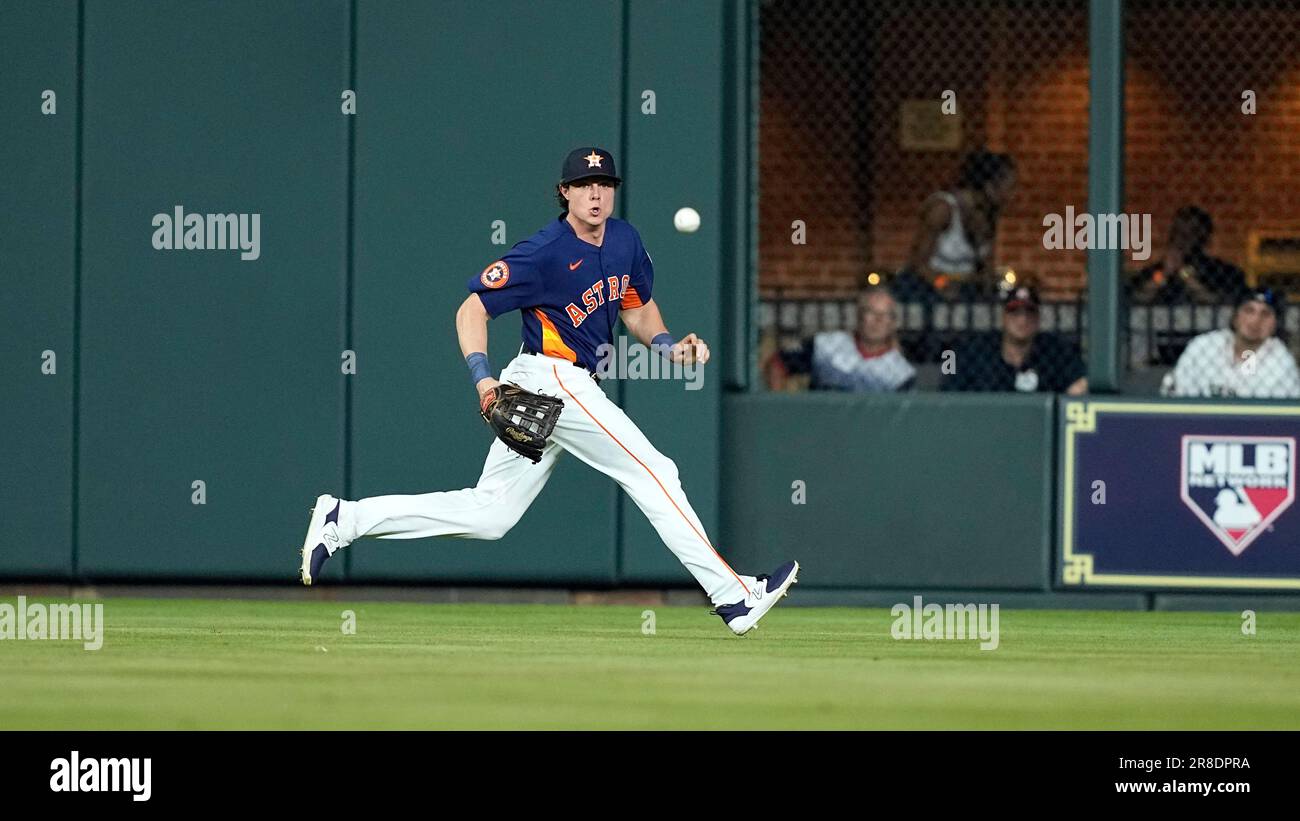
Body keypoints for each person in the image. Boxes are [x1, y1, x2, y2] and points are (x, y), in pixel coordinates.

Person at [297, 147, 799, 636]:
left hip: (568, 384)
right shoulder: (542, 253)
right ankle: (733, 595)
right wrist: (483, 377)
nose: (596, 195)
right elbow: (471, 309)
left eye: (604, 185)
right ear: (565, 193)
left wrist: (668, 346)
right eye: (584, 186)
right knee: (654, 471)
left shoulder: (624, 240)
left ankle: (345, 519)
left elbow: (636, 307)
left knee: (491, 514)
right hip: (550, 376)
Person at [898, 151, 1016, 301]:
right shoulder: (943, 209)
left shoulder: (988, 215)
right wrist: (942, 283)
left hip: (966, 289)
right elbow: (918, 263)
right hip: (931, 287)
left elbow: (986, 267)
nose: (1012, 195)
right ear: (989, 186)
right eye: (1009, 187)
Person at [942, 284, 1087, 394]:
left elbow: (1081, 382)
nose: (1022, 320)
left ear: (1038, 319)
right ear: (1003, 317)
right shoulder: (977, 350)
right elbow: (948, 391)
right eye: (1015, 313)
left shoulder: (1056, 351)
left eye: (1029, 313)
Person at [769, 287, 916, 391]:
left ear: (893, 323)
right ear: (859, 316)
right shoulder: (827, 345)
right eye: (871, 312)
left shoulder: (900, 373)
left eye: (884, 315)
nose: (877, 320)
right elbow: (778, 364)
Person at [1164, 287, 1300, 398]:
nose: (1255, 320)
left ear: (1275, 325)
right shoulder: (1203, 346)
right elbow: (1175, 392)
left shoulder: (1281, 362)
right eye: (1249, 310)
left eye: (1265, 314)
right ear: (1235, 317)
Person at [1131, 205, 1247, 305]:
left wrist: (1185, 275)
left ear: (1204, 236)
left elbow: (1217, 301)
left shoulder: (1221, 271)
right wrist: (1164, 273)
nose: (1182, 239)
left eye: (1190, 233)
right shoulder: (1157, 272)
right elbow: (1138, 297)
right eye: (1178, 232)